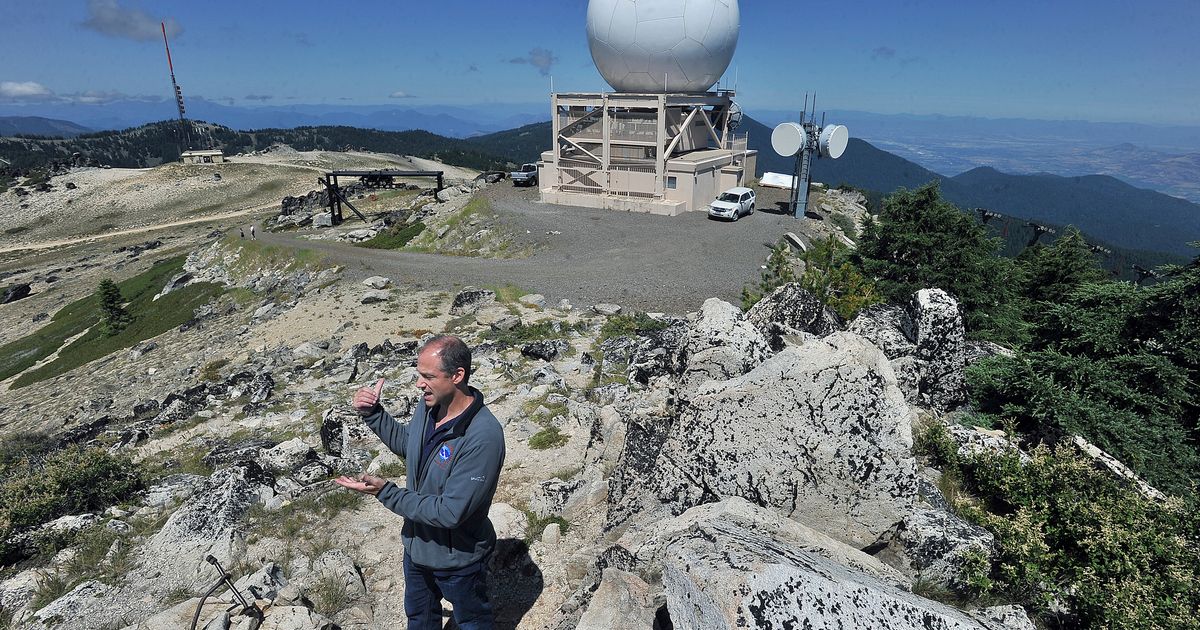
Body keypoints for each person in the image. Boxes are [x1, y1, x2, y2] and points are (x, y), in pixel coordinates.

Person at [336, 335, 505, 630]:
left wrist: (387, 493)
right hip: (417, 547)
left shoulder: (483, 437)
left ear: (457, 376)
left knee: (473, 622)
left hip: (458, 559)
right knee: (420, 618)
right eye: (419, 375)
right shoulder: (429, 407)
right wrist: (373, 414)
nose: (419, 384)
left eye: (428, 376)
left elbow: (450, 512)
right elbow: (410, 445)